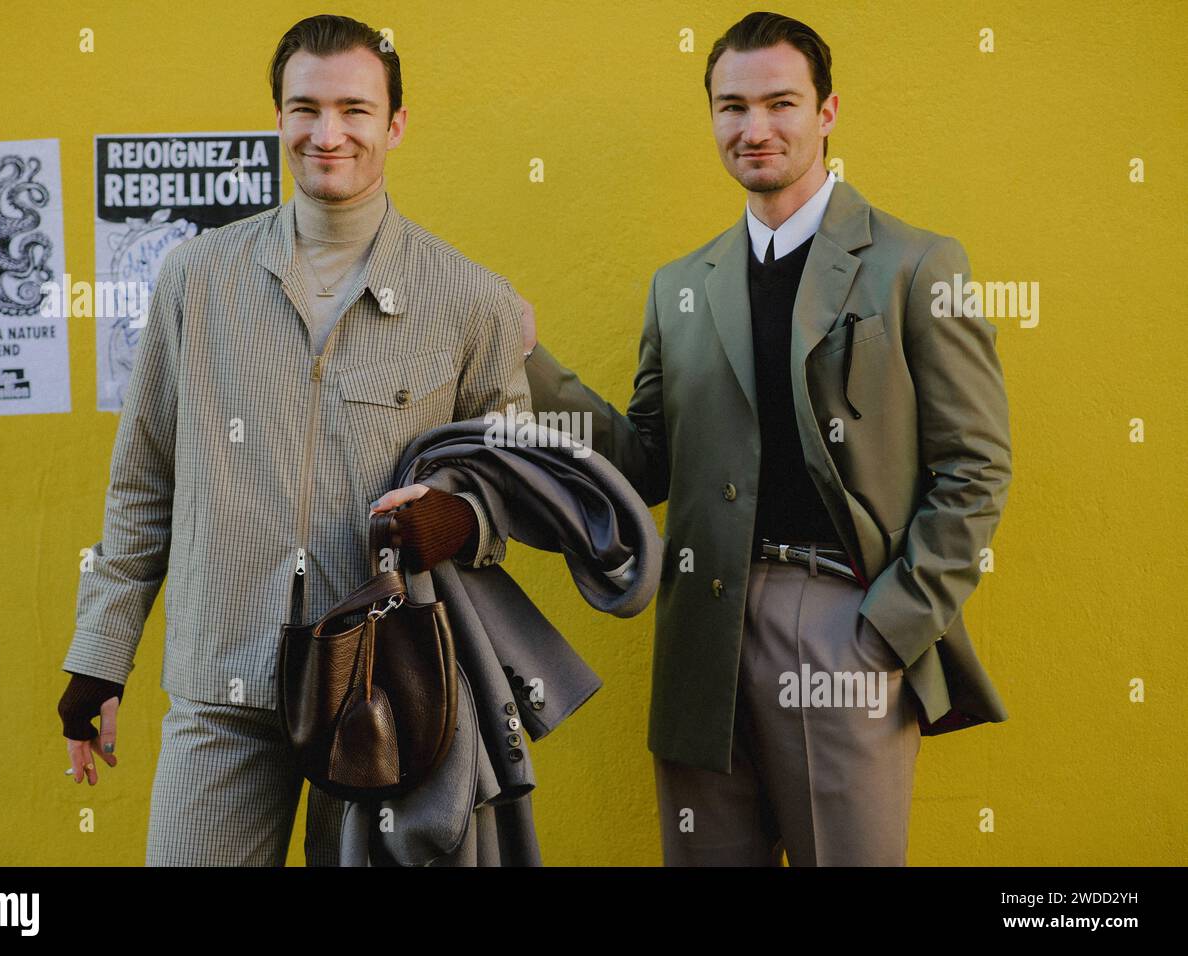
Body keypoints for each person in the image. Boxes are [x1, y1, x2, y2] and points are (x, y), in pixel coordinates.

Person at [520, 11, 1011, 865]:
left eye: (780, 102)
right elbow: (641, 463)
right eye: (731, 106)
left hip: (844, 623)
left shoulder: (917, 264)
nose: (755, 128)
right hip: (700, 635)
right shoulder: (679, 286)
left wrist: (888, 627)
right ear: (711, 116)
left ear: (826, 112)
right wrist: (525, 357)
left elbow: (975, 466)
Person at [56, 13, 530, 866]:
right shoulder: (195, 279)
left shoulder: (474, 302)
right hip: (221, 683)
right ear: (277, 117)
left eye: (355, 109)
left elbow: (516, 488)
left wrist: (459, 520)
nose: (328, 133)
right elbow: (143, 483)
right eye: (304, 108)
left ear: (396, 124)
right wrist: (101, 656)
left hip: (389, 693)